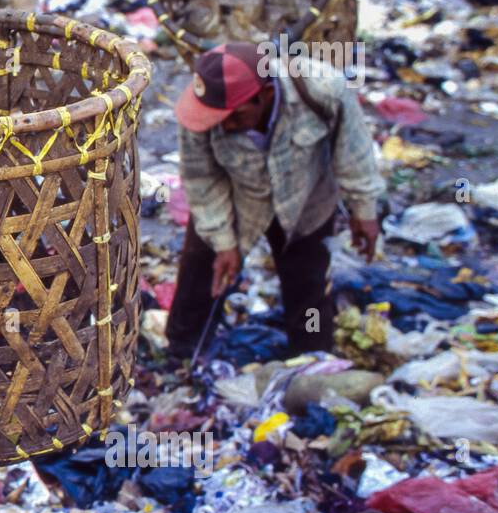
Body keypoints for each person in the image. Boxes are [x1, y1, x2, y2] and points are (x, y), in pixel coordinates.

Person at [165, 41, 385, 359]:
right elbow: (201, 178)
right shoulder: (202, 111)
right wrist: (225, 242)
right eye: (219, 118)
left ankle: (310, 363)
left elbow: (353, 152)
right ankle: (181, 354)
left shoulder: (322, 88)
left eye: (235, 116)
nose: (224, 125)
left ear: (265, 96)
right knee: (202, 277)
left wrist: (363, 210)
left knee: (307, 293)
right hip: (237, 200)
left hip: (305, 202)